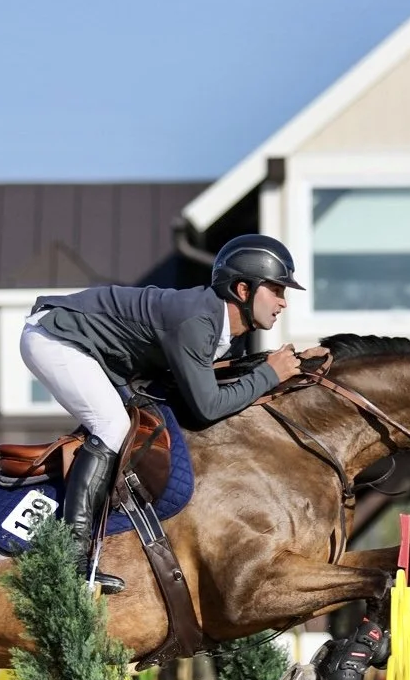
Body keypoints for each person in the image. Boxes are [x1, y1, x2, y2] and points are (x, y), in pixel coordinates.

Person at [22, 235, 322, 592]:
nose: (283, 302)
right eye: (276, 290)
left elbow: (218, 389)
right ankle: (71, 559)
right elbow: (208, 407)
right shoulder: (196, 321)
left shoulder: (223, 331)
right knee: (113, 426)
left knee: (130, 425)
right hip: (56, 338)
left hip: (97, 354)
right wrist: (270, 373)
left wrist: (293, 367)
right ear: (243, 289)